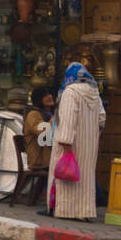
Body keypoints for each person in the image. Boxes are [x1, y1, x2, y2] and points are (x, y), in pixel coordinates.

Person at [46, 62, 107, 220]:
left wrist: (66, 144)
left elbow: (67, 119)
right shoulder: (94, 93)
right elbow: (102, 119)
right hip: (89, 146)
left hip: (70, 145)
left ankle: (67, 212)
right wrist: (92, 136)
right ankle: (85, 212)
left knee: (66, 179)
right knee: (85, 180)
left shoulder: (70, 92)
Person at [23, 86, 55, 172]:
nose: (49, 96)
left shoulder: (49, 114)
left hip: (50, 159)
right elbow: (43, 133)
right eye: (45, 95)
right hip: (40, 161)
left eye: (50, 94)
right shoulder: (33, 114)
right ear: (38, 99)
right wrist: (56, 118)